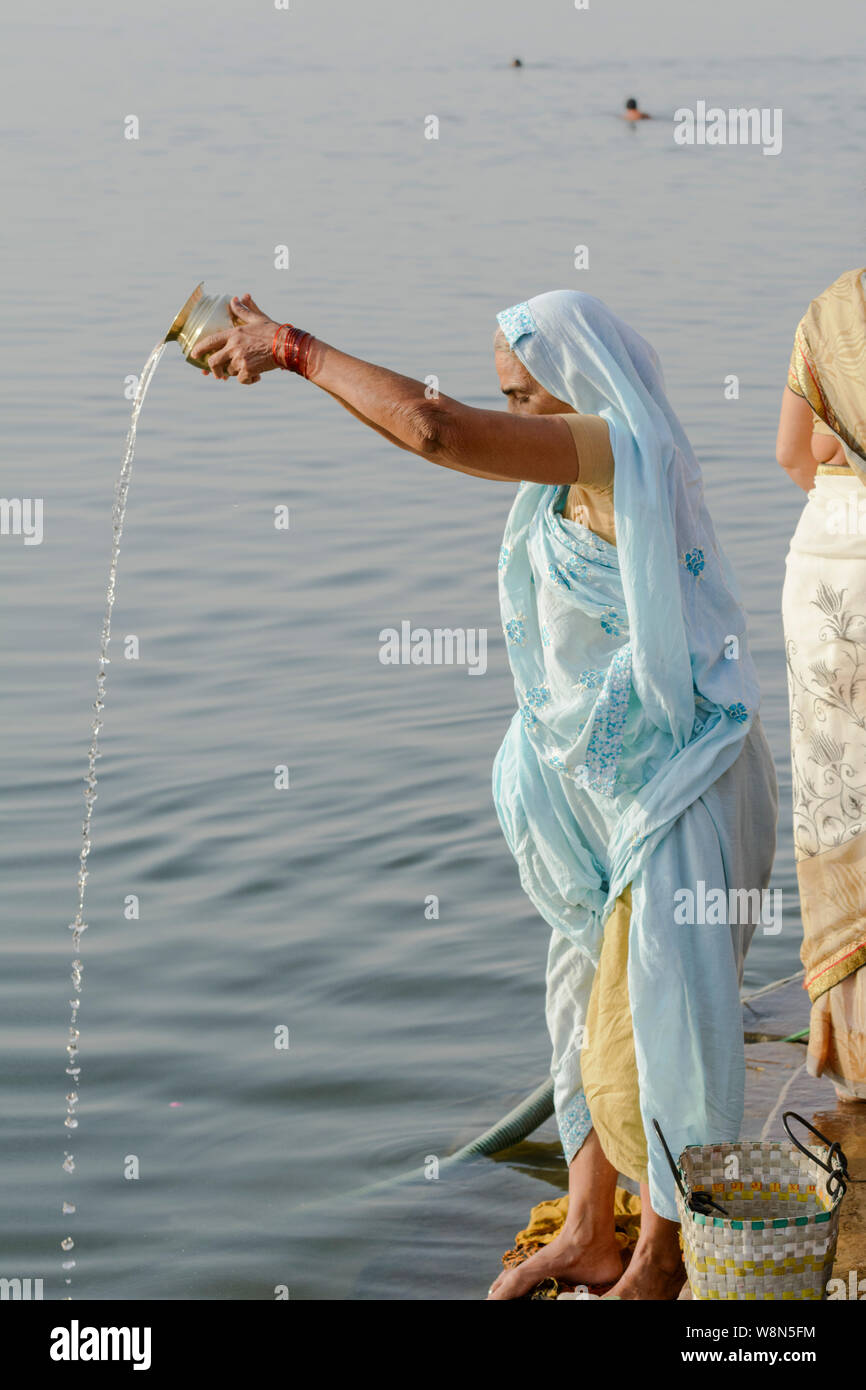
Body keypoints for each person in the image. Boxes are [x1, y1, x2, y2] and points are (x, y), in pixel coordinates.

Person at [196, 289, 777, 1299]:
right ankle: (590, 1230)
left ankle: (661, 1257)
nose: (514, 414)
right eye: (506, 395)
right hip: (602, 794)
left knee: (666, 1020)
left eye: (526, 395)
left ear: (581, 386)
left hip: (676, 788)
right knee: (578, 1011)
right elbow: (446, 429)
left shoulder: (612, 446)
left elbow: (434, 428)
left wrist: (292, 349)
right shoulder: (565, 478)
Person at [777, 267, 866, 1103]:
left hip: (826, 562)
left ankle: (854, 1055)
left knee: (838, 800)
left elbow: (792, 455)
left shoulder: (830, 311)